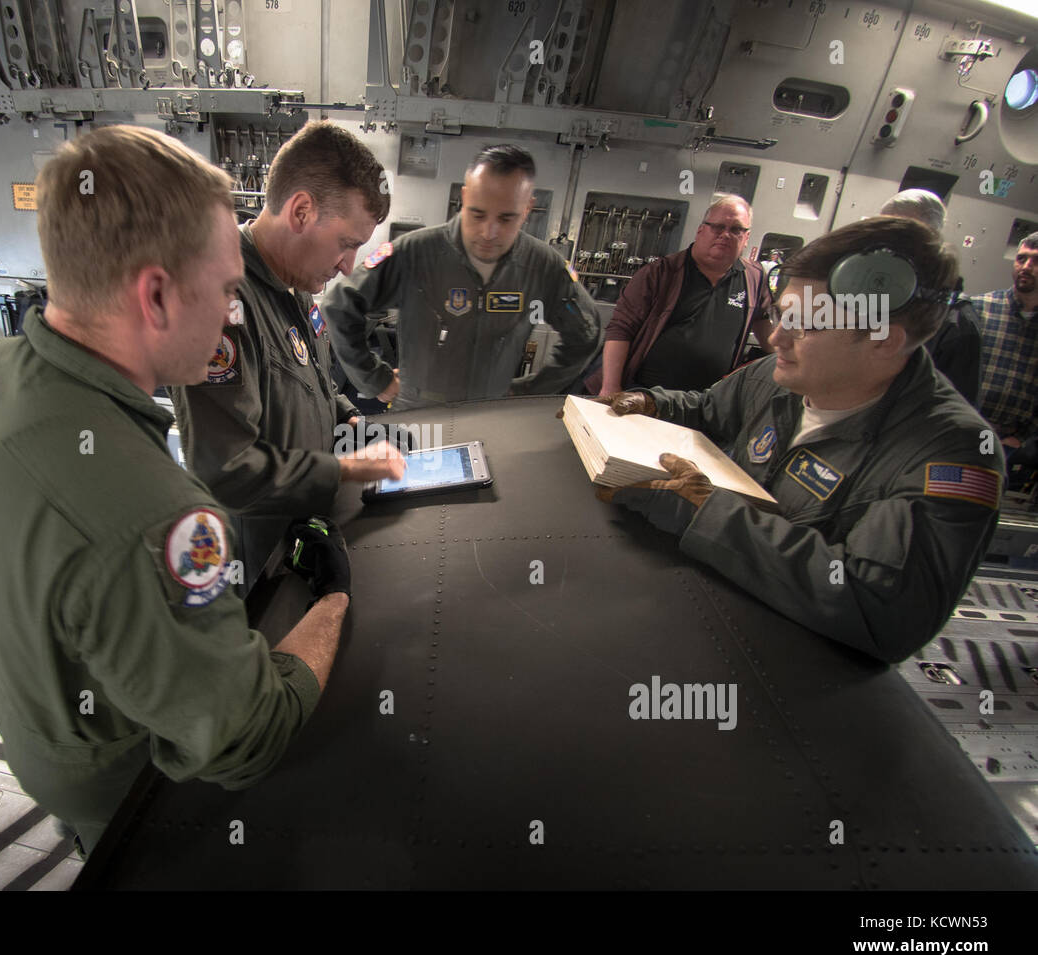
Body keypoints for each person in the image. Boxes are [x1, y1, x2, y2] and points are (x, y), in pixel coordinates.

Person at [0, 125, 355, 856]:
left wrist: (5, 602)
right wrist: (331, 607)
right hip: (128, 787)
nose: (234, 313)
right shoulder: (159, 519)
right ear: (156, 296)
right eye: (228, 290)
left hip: (37, 737)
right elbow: (243, 737)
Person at [596, 216, 1003, 663]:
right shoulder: (783, 375)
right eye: (779, 313)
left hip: (787, 664)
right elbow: (709, 408)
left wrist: (707, 512)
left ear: (885, 340)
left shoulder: (951, 456)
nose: (777, 337)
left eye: (806, 325)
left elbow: (881, 612)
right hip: (703, 609)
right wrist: (650, 402)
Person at [170, 121, 405, 581]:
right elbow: (228, 471)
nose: (347, 265)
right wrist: (341, 470)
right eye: (346, 244)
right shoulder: (220, 303)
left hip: (304, 536)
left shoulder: (293, 282)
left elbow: (310, 381)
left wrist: (349, 421)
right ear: (300, 211)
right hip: (258, 569)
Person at [322, 144, 601, 411]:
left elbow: (586, 333)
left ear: (527, 209)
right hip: (419, 413)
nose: (488, 232)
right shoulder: (415, 253)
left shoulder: (543, 266)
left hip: (490, 414)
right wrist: (374, 378)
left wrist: (532, 390)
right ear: (465, 197)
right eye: (478, 214)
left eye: (506, 219)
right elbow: (340, 303)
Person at [584, 193, 772, 396]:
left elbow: (767, 329)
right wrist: (610, 387)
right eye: (717, 227)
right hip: (642, 393)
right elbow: (621, 330)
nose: (725, 235)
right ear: (701, 230)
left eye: (736, 229)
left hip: (704, 403)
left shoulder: (754, 279)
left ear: (746, 237)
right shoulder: (661, 273)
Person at [879, 188, 982, 405]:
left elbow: (954, 409)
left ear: (930, 241)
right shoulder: (874, 295)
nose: (886, 245)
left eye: (900, 236)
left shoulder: (957, 323)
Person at [972, 232, 1038, 470]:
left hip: (1007, 440)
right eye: (1021, 259)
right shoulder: (979, 308)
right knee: (941, 495)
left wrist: (1023, 438)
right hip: (962, 428)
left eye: (1036, 261)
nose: (1026, 267)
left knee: (982, 498)